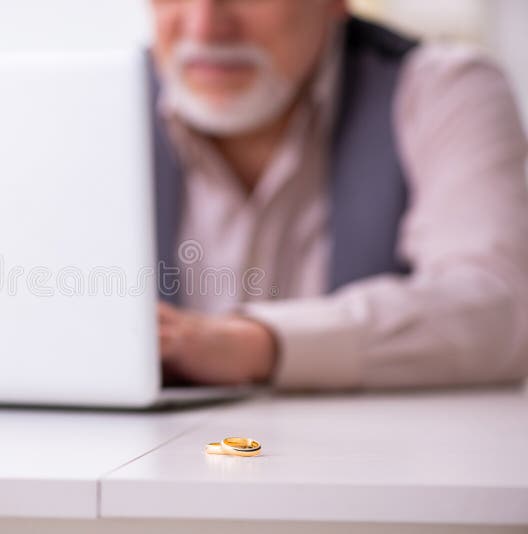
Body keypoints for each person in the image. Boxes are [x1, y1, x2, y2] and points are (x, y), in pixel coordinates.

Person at [151, 0, 528, 390]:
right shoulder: (103, 109)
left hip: (383, 449)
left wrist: (258, 344)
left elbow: (500, 310)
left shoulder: (444, 89)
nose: (204, 28)